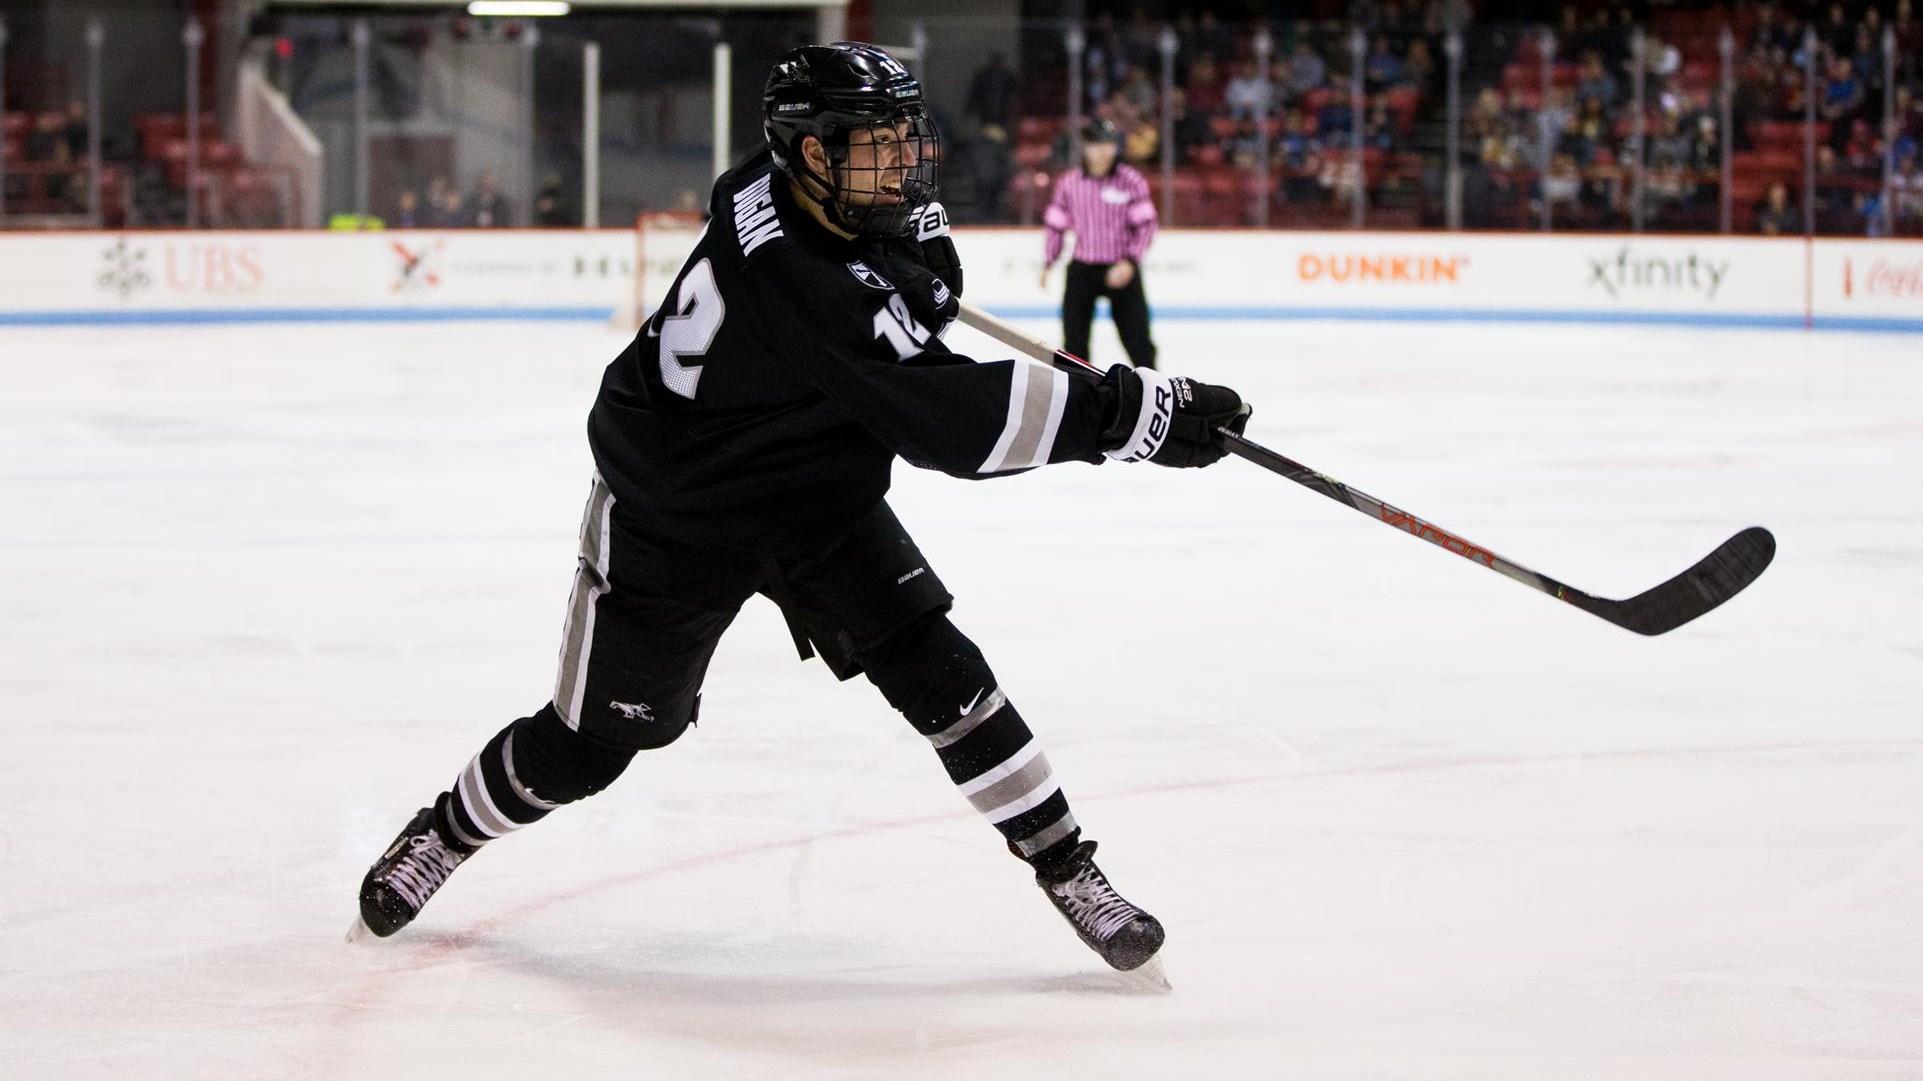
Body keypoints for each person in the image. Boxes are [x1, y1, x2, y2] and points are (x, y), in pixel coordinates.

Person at [352, 42, 1250, 975]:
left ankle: (1068, 868)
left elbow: (914, 281)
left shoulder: (771, 180)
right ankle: (443, 833)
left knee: (946, 675)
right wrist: (1132, 414)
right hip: (675, 513)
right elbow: (957, 423)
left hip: (815, 496)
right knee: (589, 748)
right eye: (876, 145)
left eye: (904, 138)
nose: (901, 163)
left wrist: (912, 264)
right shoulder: (808, 286)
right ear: (814, 152)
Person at [1039, 119, 1160, 371]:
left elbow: (1146, 225)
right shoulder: (1070, 183)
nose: (1104, 151)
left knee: (1139, 342)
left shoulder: (1131, 181)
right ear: (1085, 147)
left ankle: (1151, 386)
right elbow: (1056, 225)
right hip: (1083, 267)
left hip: (1122, 266)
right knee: (1074, 344)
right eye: (1097, 145)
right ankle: (1078, 390)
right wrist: (1049, 261)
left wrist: (1130, 262)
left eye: (1108, 144)